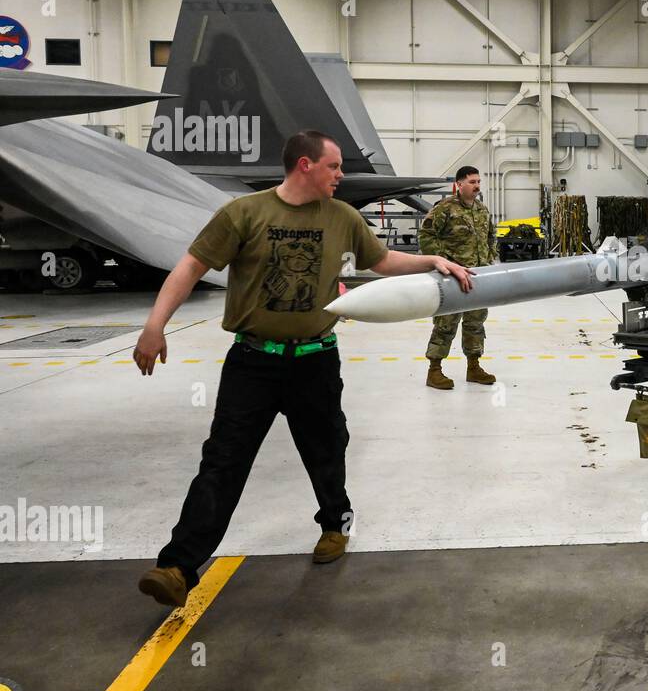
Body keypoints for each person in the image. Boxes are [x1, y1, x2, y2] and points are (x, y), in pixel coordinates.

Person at [133, 130, 473, 608]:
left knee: (327, 450)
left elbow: (381, 261)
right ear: (305, 165)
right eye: (334, 167)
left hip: (315, 359)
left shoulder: (342, 217)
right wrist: (154, 326)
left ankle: (336, 524)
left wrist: (432, 260)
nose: (341, 176)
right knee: (223, 462)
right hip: (253, 361)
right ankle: (177, 566)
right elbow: (190, 266)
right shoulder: (244, 213)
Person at [419, 165, 497, 390]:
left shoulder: (482, 210)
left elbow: (491, 236)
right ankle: (434, 371)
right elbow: (426, 235)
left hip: (478, 277)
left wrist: (491, 258)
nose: (477, 186)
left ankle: (474, 367)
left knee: (475, 323)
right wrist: (442, 262)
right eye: (472, 182)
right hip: (452, 277)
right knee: (445, 324)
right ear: (459, 184)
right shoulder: (445, 209)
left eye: (478, 182)